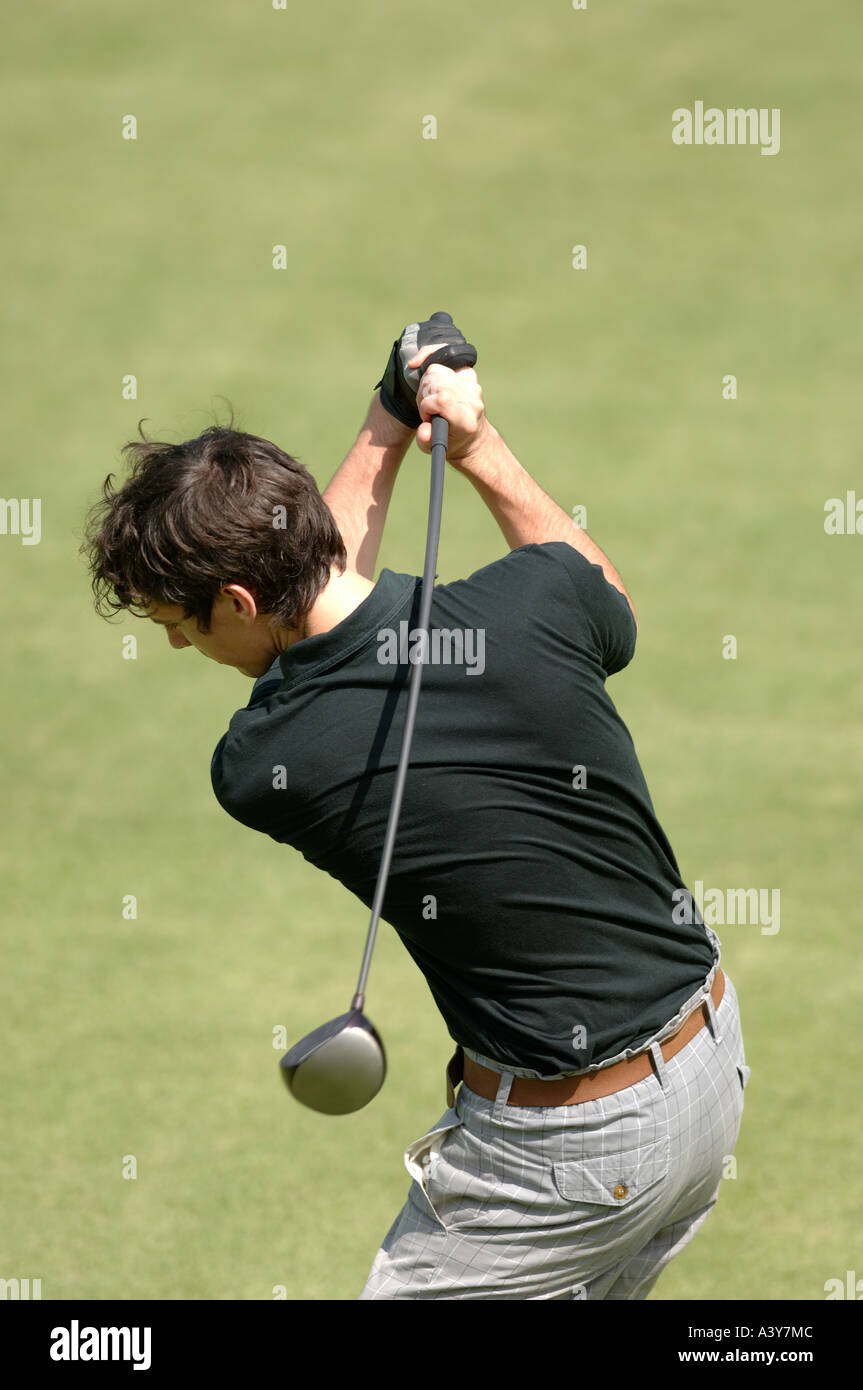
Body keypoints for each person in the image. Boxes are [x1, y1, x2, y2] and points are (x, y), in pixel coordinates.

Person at [82, 313, 750, 1300]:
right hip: (707, 1073)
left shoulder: (268, 761)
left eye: (178, 624)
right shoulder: (537, 605)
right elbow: (605, 597)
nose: (180, 647)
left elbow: (317, 598)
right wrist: (467, 442)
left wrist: (386, 427)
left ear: (232, 599)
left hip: (564, 1157)